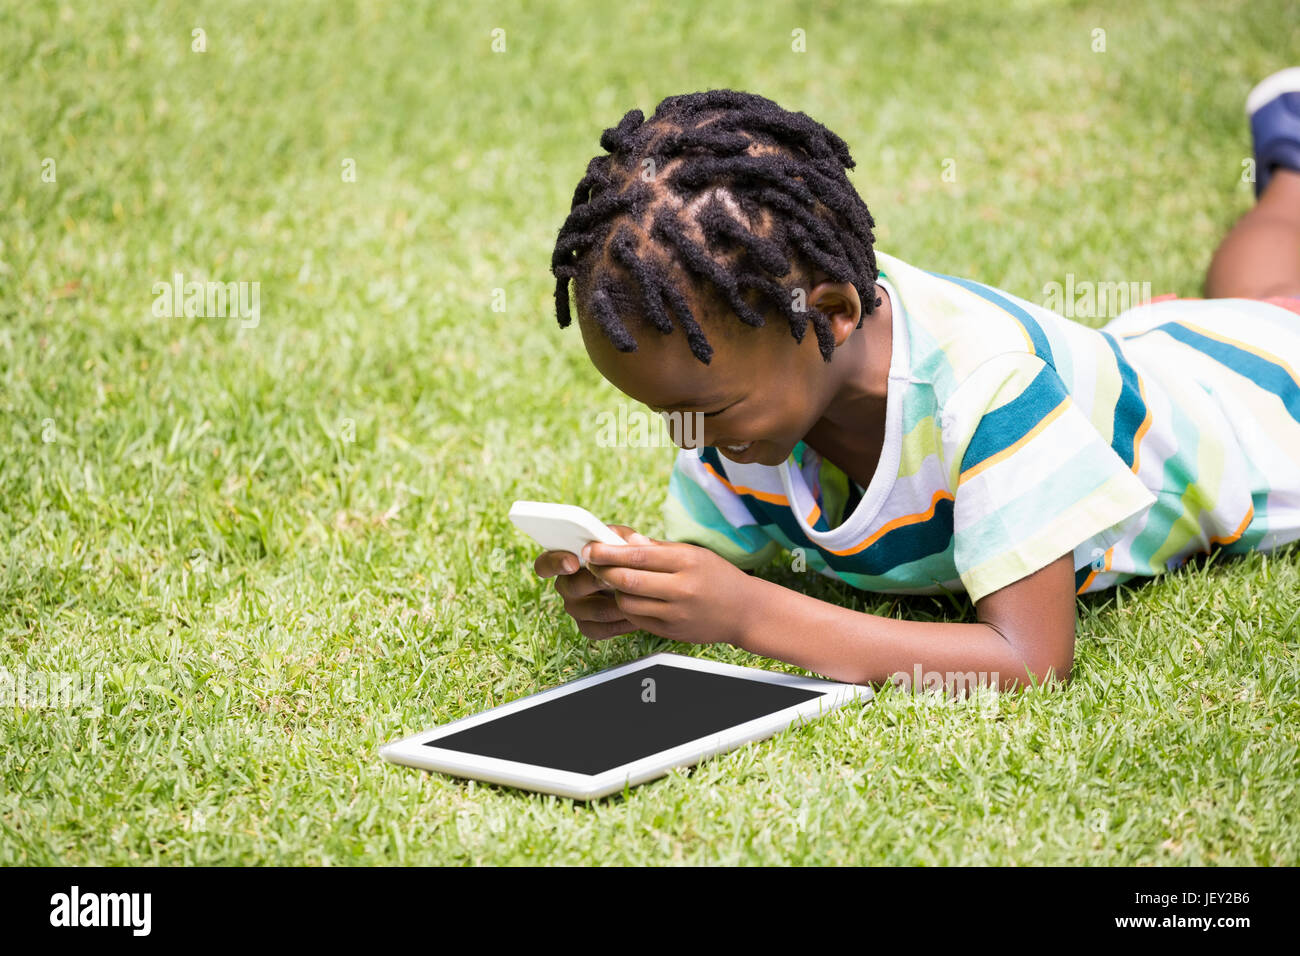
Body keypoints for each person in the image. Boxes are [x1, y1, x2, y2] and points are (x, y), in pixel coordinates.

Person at [536, 78, 1300, 693]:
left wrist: (748, 616)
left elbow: (1030, 659)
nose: (685, 438)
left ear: (831, 314)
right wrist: (642, 585)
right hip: (1156, 354)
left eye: (700, 413)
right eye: (664, 414)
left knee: (1271, 306)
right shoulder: (739, 388)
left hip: (1264, 405)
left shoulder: (986, 391)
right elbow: (712, 551)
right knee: (1256, 295)